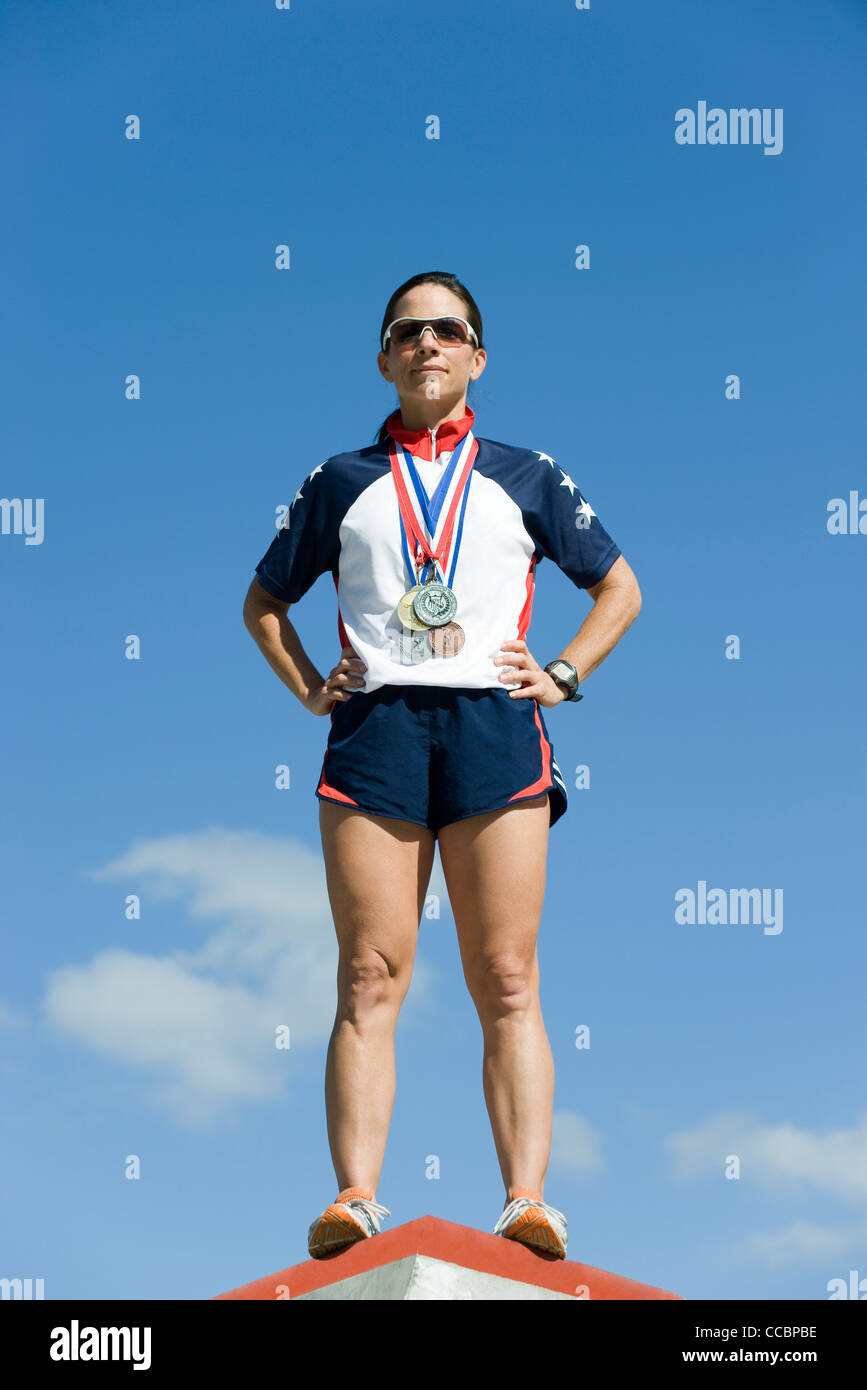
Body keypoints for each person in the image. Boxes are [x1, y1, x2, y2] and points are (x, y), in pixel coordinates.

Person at [243, 271, 641, 1262]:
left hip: (495, 728)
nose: (428, 343)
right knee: (370, 970)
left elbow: (620, 588)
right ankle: (356, 1198)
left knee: (506, 973)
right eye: (407, 331)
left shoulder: (528, 473)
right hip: (374, 731)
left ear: (477, 356)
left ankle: (526, 1201)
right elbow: (262, 600)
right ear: (384, 357)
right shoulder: (341, 479)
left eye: (448, 330)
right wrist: (307, 686)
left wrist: (562, 672)